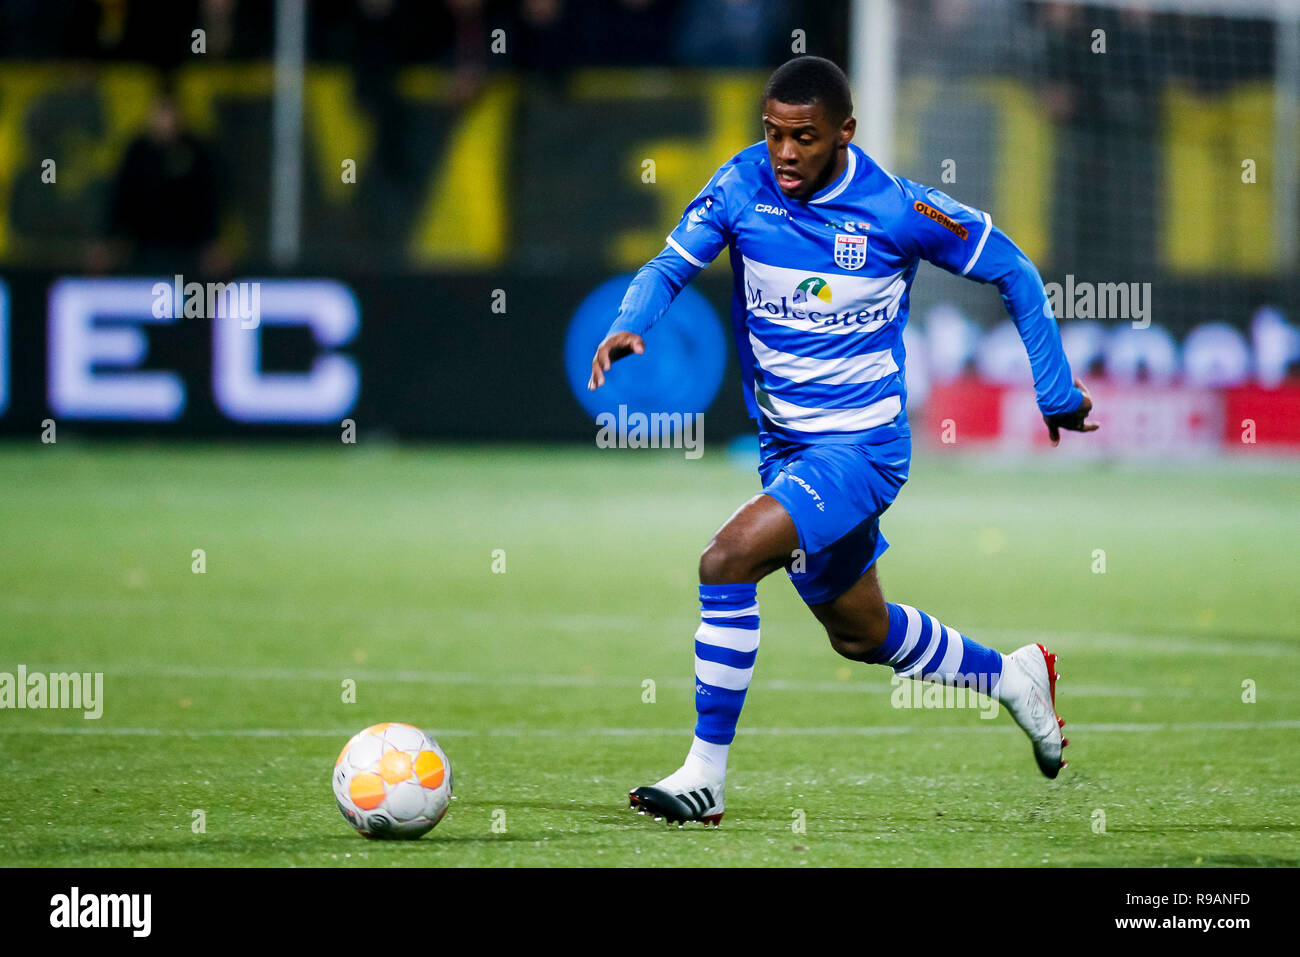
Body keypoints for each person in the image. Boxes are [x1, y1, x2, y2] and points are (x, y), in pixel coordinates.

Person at [588, 56, 1098, 826]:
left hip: (862, 449)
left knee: (726, 559)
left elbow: (1015, 269)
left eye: (804, 137)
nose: (785, 153)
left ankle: (704, 776)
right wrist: (631, 321)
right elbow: (668, 265)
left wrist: (1054, 388)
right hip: (786, 449)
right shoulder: (739, 184)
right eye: (773, 134)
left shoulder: (894, 209)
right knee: (860, 634)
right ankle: (1013, 677)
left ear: (843, 134)